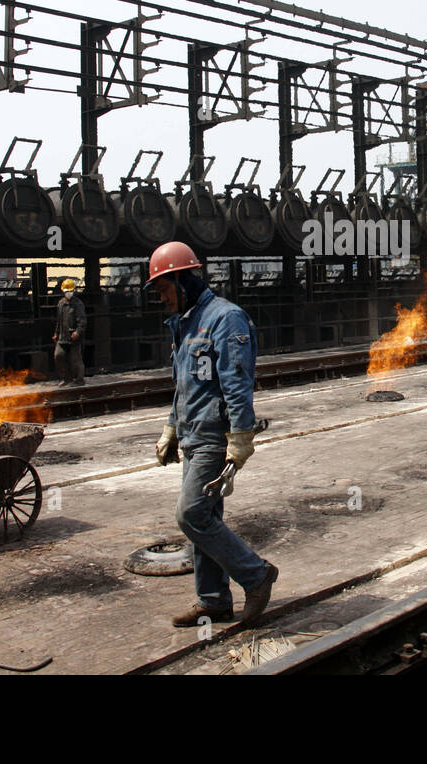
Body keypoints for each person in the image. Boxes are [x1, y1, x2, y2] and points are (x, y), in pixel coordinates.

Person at [147, 241, 278, 628]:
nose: (162, 298)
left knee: (190, 515)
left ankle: (256, 575)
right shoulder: (185, 322)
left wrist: (241, 435)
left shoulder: (226, 319)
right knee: (206, 515)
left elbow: (237, 381)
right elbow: (184, 384)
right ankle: (213, 600)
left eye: (164, 289)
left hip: (213, 437)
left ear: (182, 280)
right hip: (191, 433)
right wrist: (172, 425)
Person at [52, 278, 87, 386]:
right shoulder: (61, 304)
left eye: (70, 291)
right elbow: (59, 320)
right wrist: (56, 333)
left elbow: (82, 321)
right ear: (63, 291)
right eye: (67, 291)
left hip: (73, 337)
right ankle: (66, 379)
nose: (69, 293)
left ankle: (79, 380)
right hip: (62, 337)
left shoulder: (78, 304)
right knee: (59, 356)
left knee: (75, 359)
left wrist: (78, 332)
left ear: (74, 291)